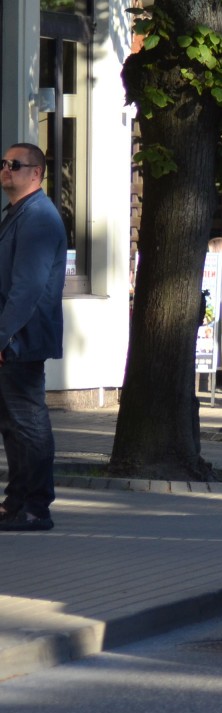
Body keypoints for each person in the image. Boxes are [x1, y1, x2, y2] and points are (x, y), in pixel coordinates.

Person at [0, 143, 66, 531]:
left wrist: (2, 336)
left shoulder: (38, 217)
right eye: (4, 164)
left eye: (15, 165)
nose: (6, 169)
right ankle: (17, 499)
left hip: (20, 341)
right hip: (12, 339)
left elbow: (26, 289)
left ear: (36, 174)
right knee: (12, 424)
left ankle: (37, 507)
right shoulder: (17, 213)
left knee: (28, 422)